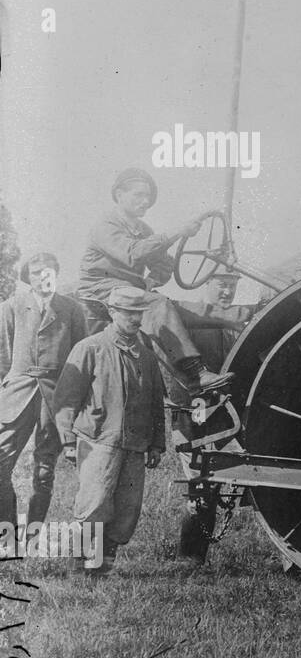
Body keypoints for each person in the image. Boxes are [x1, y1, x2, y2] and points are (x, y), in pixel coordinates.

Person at [76, 167, 232, 395]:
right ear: (119, 195)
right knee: (158, 304)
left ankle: (247, 316)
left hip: (130, 292)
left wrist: (151, 281)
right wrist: (178, 232)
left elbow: (164, 263)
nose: (145, 202)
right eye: (139, 195)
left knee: (184, 309)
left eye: (148, 197)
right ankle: (195, 373)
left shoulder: (143, 229)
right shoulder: (105, 226)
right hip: (98, 292)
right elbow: (132, 254)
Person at [52, 287, 166, 575]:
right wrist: (67, 442)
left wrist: (156, 444)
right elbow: (66, 399)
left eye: (139, 313)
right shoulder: (90, 348)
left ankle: (102, 568)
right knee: (94, 504)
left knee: (126, 510)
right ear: (112, 313)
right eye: (129, 313)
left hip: (135, 445)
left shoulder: (147, 357)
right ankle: (78, 570)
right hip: (98, 440)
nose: (135, 319)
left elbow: (156, 404)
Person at [0, 254, 88, 544]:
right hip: (17, 394)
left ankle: (33, 539)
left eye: (48, 272)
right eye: (36, 273)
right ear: (29, 278)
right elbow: (2, 355)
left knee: (44, 470)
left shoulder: (72, 309)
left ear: (56, 273)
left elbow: (82, 357)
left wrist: (76, 402)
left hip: (56, 397)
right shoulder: (11, 307)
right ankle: (7, 537)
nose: (43, 277)